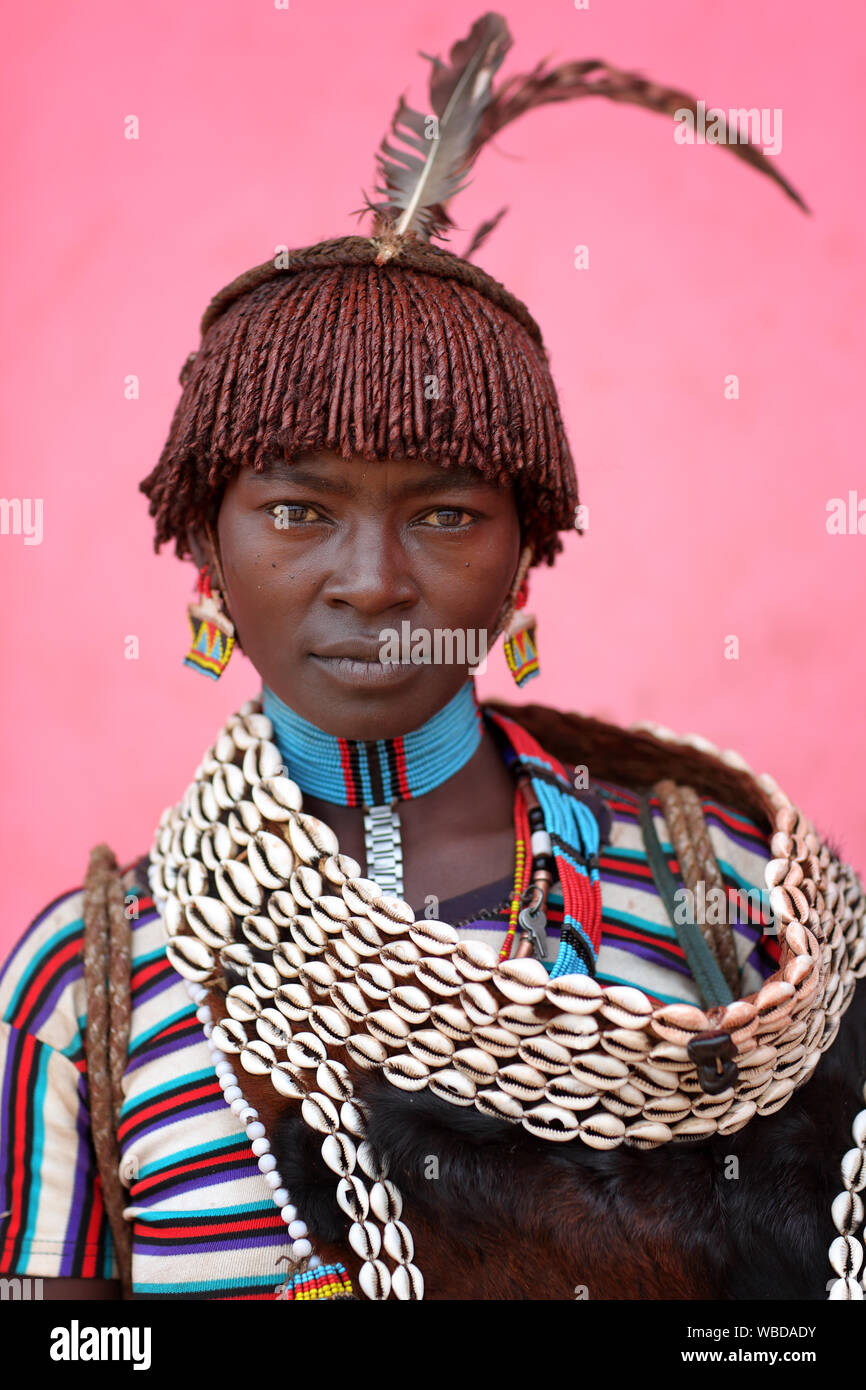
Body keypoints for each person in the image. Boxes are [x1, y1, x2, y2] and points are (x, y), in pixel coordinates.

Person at [2, 14, 863, 1302]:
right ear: (206, 549)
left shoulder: (736, 901)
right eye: (299, 510)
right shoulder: (90, 983)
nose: (373, 580)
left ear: (527, 556)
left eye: (447, 514)